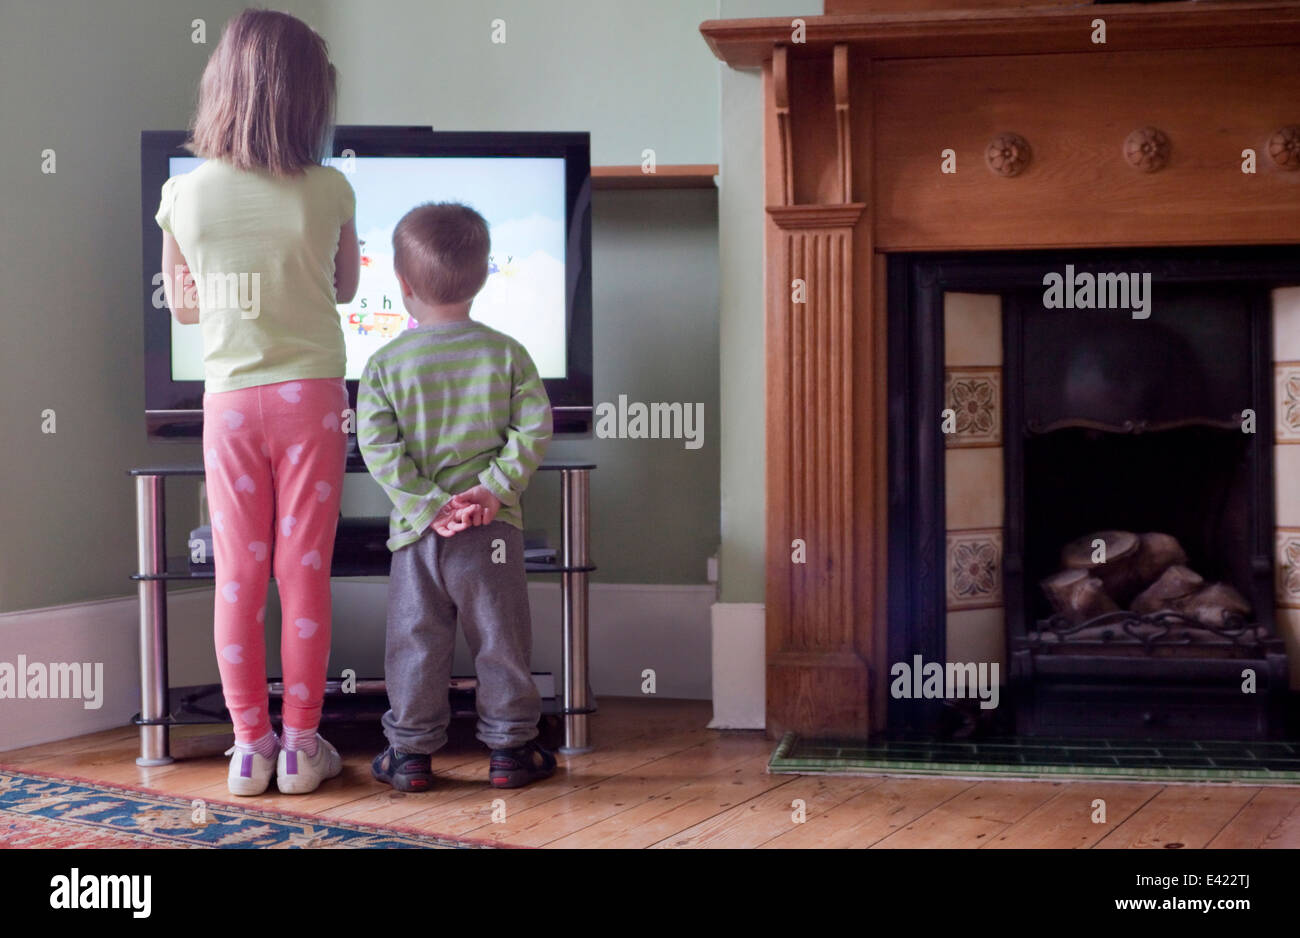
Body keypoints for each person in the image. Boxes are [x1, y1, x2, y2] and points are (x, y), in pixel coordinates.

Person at [155, 9, 359, 795]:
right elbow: (343, 288)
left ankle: (249, 747)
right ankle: (304, 746)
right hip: (313, 397)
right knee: (303, 568)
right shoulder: (330, 188)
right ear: (310, 101)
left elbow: (185, 308)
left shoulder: (183, 196)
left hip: (231, 402)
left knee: (238, 573)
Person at [356, 202, 555, 792]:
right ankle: (511, 753)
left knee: (416, 643)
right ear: (485, 274)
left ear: (403, 284)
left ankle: (411, 757)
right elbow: (535, 427)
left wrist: (427, 505)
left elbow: (377, 444)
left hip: (420, 537)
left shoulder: (383, 363)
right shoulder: (508, 353)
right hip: (492, 534)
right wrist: (493, 490)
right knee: (501, 640)